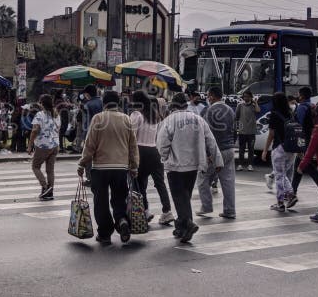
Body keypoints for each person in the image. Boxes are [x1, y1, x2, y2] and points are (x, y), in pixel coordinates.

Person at [157, 92, 223, 243]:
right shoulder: (198, 119)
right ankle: (181, 229)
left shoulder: (169, 120)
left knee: (179, 197)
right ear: (186, 105)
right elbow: (210, 141)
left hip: (175, 166)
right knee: (185, 195)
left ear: (172, 106)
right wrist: (218, 161)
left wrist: (163, 158)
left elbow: (162, 144)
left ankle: (188, 223)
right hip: (194, 165)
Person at [77, 90, 139, 246]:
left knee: (100, 202)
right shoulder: (126, 119)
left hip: (100, 168)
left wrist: (82, 163)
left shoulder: (98, 118)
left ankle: (105, 234)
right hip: (121, 168)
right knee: (119, 198)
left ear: (104, 103)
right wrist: (134, 166)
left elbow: (90, 144)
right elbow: (133, 145)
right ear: (118, 103)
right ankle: (122, 220)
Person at [130, 90, 174, 226]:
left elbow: (131, 137)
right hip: (154, 151)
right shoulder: (155, 115)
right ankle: (167, 211)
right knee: (160, 183)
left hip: (140, 151)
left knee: (139, 184)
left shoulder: (136, 115)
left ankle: (146, 211)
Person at [196, 86, 237, 219]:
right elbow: (235, 131)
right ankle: (230, 210)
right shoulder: (230, 110)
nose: (208, 98)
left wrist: (207, 153)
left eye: (208, 96)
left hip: (215, 151)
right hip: (229, 149)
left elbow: (206, 134)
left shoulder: (209, 111)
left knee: (203, 179)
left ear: (212, 96)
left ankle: (207, 206)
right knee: (228, 181)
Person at [290, 86, 318, 208]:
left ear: (302, 96)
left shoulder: (302, 108)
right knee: (302, 167)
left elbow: (297, 126)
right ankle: (293, 192)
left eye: (299, 94)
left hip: (302, 140)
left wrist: (297, 145)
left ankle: (292, 194)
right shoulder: (313, 106)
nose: (297, 96)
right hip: (311, 139)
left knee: (303, 167)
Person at [263, 92, 297, 212]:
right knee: (282, 174)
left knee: (279, 175)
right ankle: (286, 197)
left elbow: (271, 134)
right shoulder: (291, 113)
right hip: (292, 149)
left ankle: (283, 201)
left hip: (279, 148)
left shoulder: (274, 114)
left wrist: (265, 150)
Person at [29, 94, 60, 201]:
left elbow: (34, 130)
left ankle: (45, 187)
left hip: (43, 145)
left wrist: (30, 145)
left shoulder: (39, 115)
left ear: (41, 103)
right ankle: (50, 192)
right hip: (55, 145)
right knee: (50, 170)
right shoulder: (56, 114)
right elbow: (58, 129)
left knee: (35, 166)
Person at [235, 90, 260, 171]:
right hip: (242, 131)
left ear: (251, 97)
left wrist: (255, 103)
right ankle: (240, 164)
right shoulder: (240, 105)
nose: (246, 98)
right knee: (241, 149)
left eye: (248, 96)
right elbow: (236, 117)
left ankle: (250, 165)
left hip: (251, 132)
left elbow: (258, 111)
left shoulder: (253, 105)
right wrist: (236, 128)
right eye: (245, 96)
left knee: (251, 149)